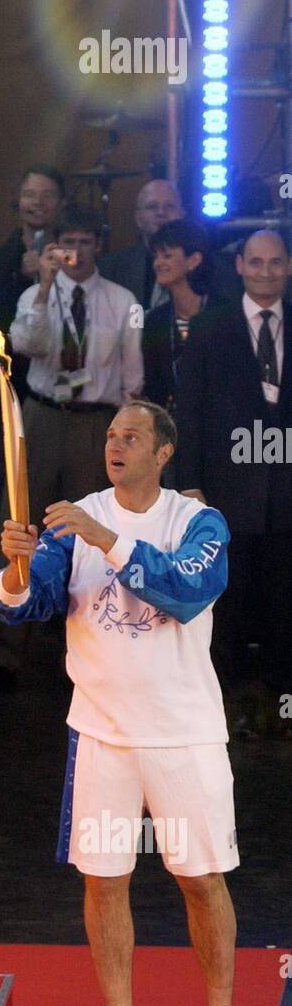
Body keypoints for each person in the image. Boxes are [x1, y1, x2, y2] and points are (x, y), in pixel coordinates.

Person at [0, 399, 253, 1006]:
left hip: (182, 735)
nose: (116, 443)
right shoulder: (74, 517)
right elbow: (34, 601)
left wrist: (105, 540)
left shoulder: (197, 522)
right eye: (110, 434)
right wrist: (16, 570)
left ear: (163, 453)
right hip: (101, 732)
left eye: (132, 436)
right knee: (104, 881)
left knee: (198, 878)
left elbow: (186, 592)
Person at [0, 204, 144, 687]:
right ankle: (3, 651)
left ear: (99, 246)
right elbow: (26, 345)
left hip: (98, 422)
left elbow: (133, 375)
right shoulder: (35, 293)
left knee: (91, 535)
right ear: (52, 249)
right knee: (21, 524)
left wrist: (128, 434)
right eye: (65, 244)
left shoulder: (122, 298)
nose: (76, 253)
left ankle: (90, 647)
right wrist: (47, 285)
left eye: (86, 242)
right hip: (42, 416)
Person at [175, 229, 292, 734]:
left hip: (286, 495)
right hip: (226, 494)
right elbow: (192, 411)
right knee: (229, 605)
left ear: (288, 267)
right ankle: (227, 709)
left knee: (284, 603)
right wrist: (190, 485)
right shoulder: (209, 328)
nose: (266, 271)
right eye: (257, 261)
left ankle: (283, 704)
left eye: (276, 262)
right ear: (240, 265)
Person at [0, 164, 65, 391]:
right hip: (11, 373)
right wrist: (23, 279)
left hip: (62, 373)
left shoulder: (75, 257)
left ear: (61, 203)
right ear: (18, 201)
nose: (38, 203)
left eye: (48, 196)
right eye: (29, 195)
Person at [141, 219, 214, 417]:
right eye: (156, 256)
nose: (158, 263)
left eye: (167, 255)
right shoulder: (156, 320)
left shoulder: (222, 314)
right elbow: (153, 384)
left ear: (193, 260)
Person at [99, 179, 185, 308]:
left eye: (169, 206)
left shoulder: (202, 264)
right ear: (138, 218)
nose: (161, 213)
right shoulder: (111, 269)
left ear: (181, 214)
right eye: (152, 207)